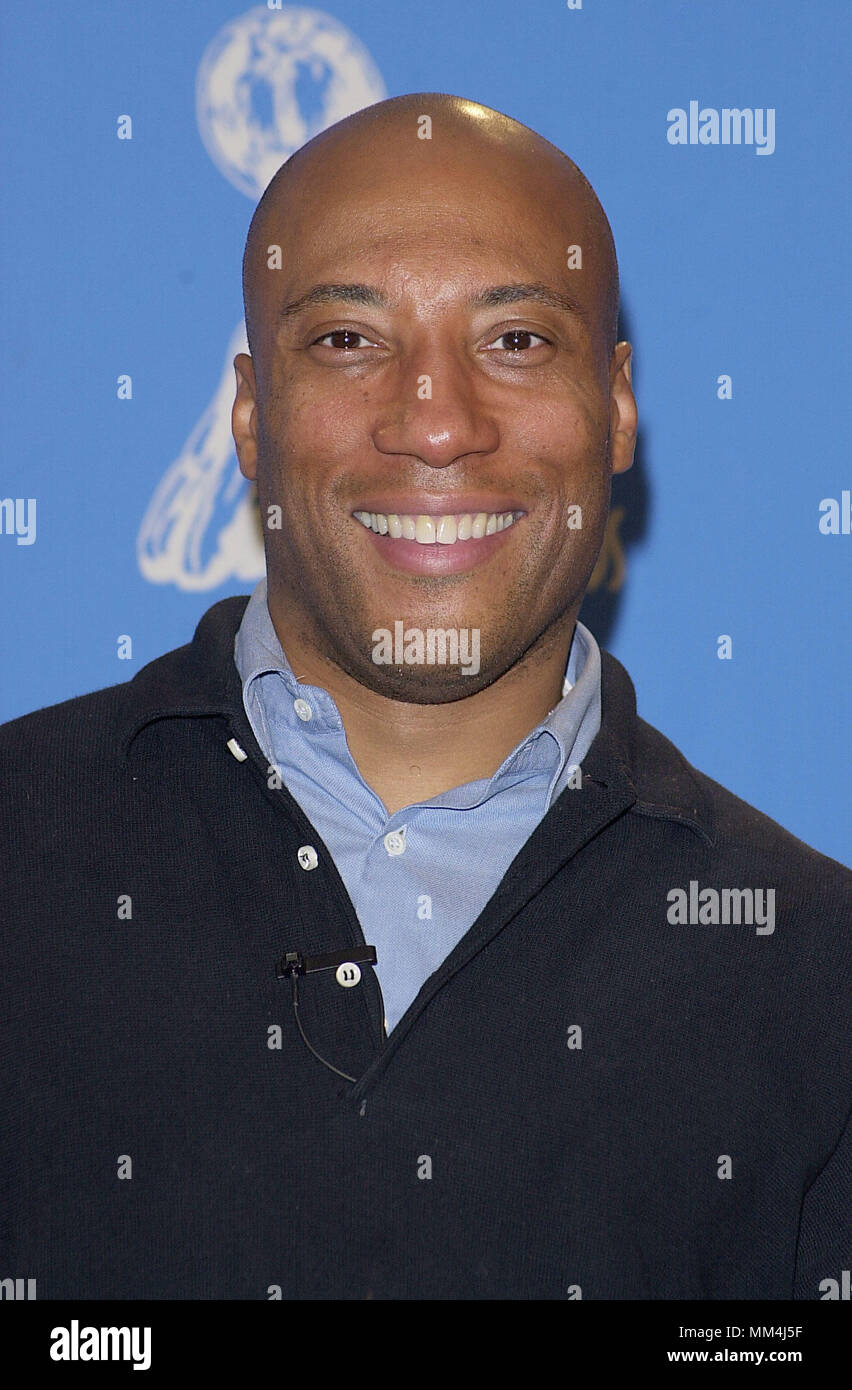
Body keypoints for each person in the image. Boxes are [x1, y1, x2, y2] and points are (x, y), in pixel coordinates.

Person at [1, 93, 849, 1301]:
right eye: (350, 339)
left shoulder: (815, 972)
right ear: (251, 414)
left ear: (616, 407)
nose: (438, 422)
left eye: (515, 340)